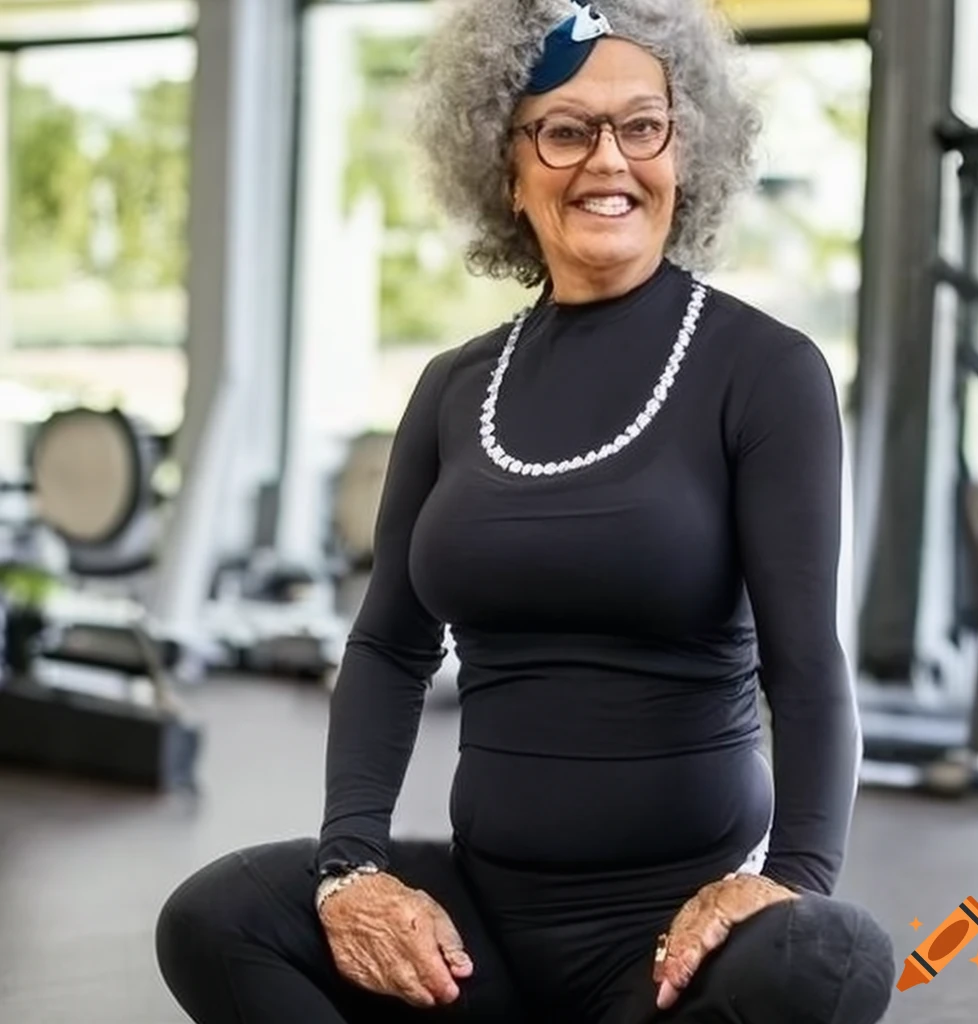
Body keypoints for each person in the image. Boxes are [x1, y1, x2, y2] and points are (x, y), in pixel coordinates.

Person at [155, 1, 896, 1021]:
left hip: (674, 946)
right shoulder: (457, 386)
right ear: (506, 165)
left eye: (643, 126)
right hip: (480, 938)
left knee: (830, 954)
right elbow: (385, 648)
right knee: (218, 915)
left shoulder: (764, 371)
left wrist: (789, 876)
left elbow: (806, 663)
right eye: (565, 129)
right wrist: (351, 867)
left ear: (687, 155)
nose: (609, 160)